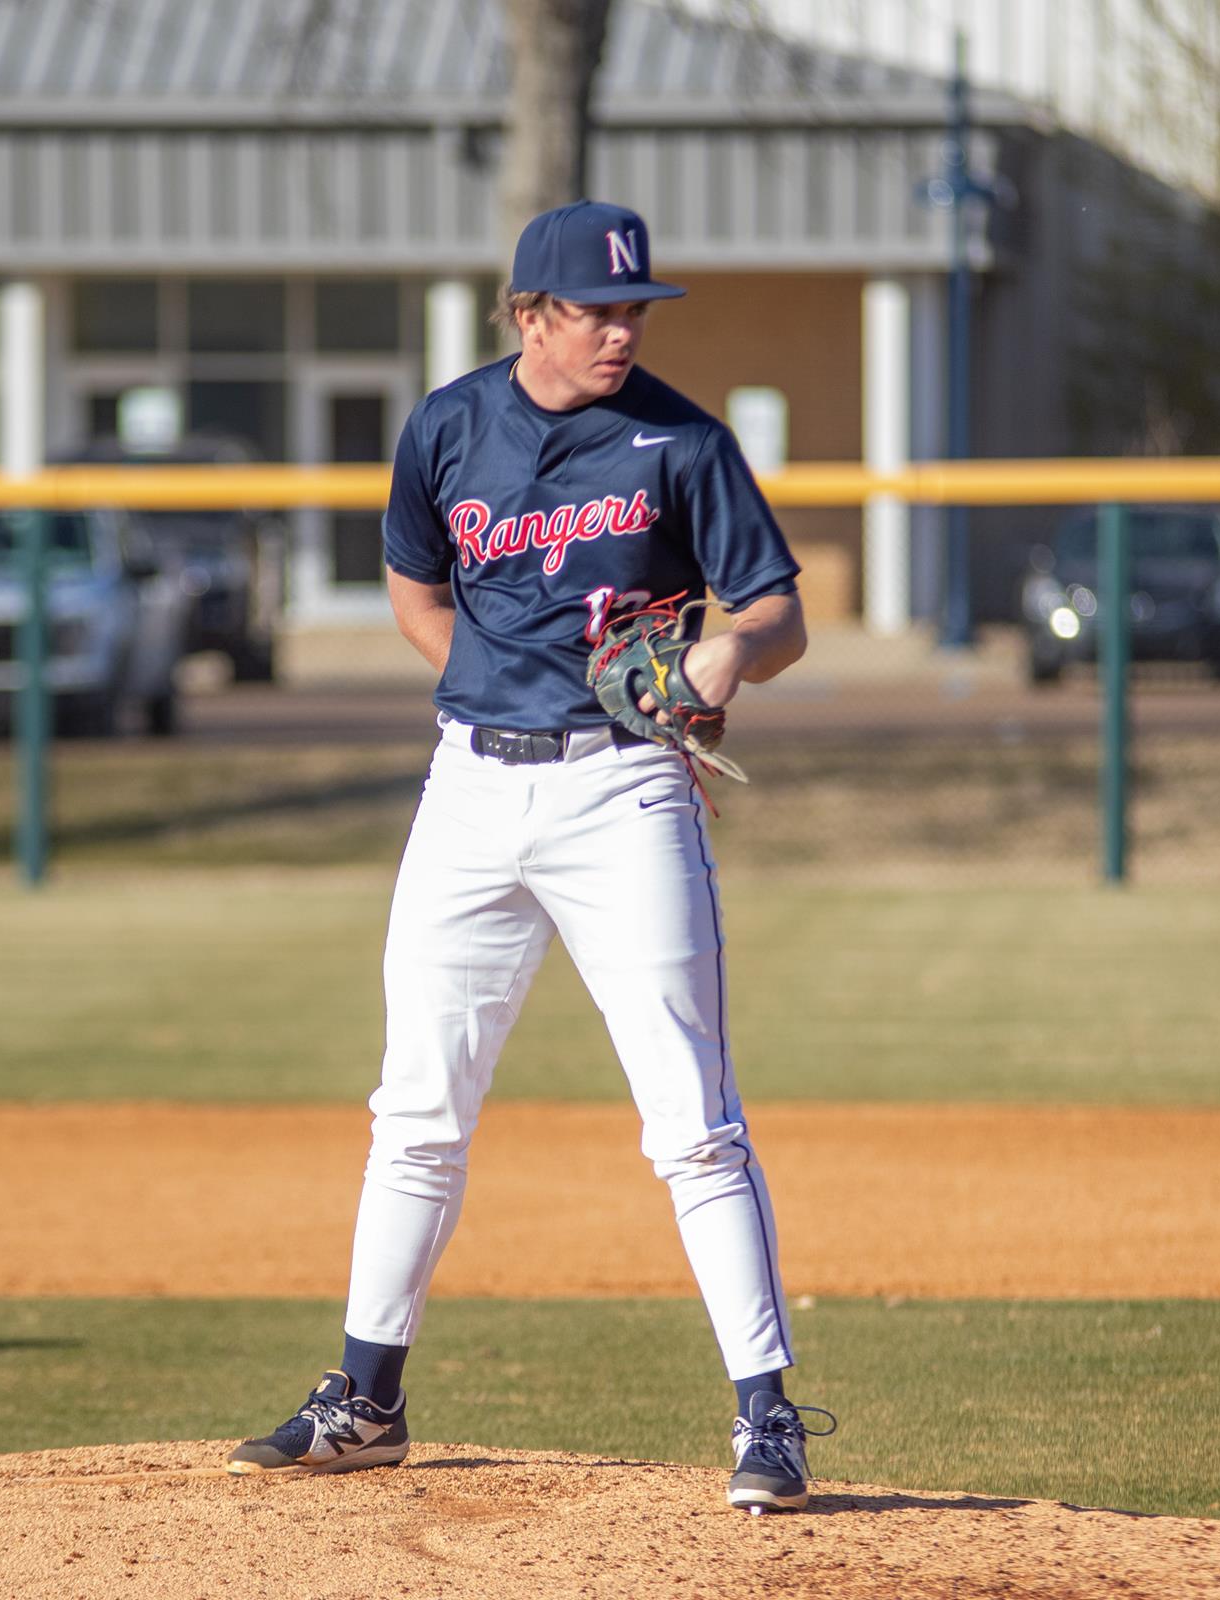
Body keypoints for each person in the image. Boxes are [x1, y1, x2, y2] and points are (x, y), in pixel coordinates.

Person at [226, 200, 829, 1512]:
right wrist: (492, 684)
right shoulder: (449, 426)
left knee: (692, 1121)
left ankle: (767, 1416)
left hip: (622, 795)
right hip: (470, 788)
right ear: (531, 317)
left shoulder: (680, 439)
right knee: (416, 1111)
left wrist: (728, 653)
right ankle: (366, 1400)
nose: (623, 329)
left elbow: (776, 609)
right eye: (598, 310)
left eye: (636, 309)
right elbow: (414, 588)